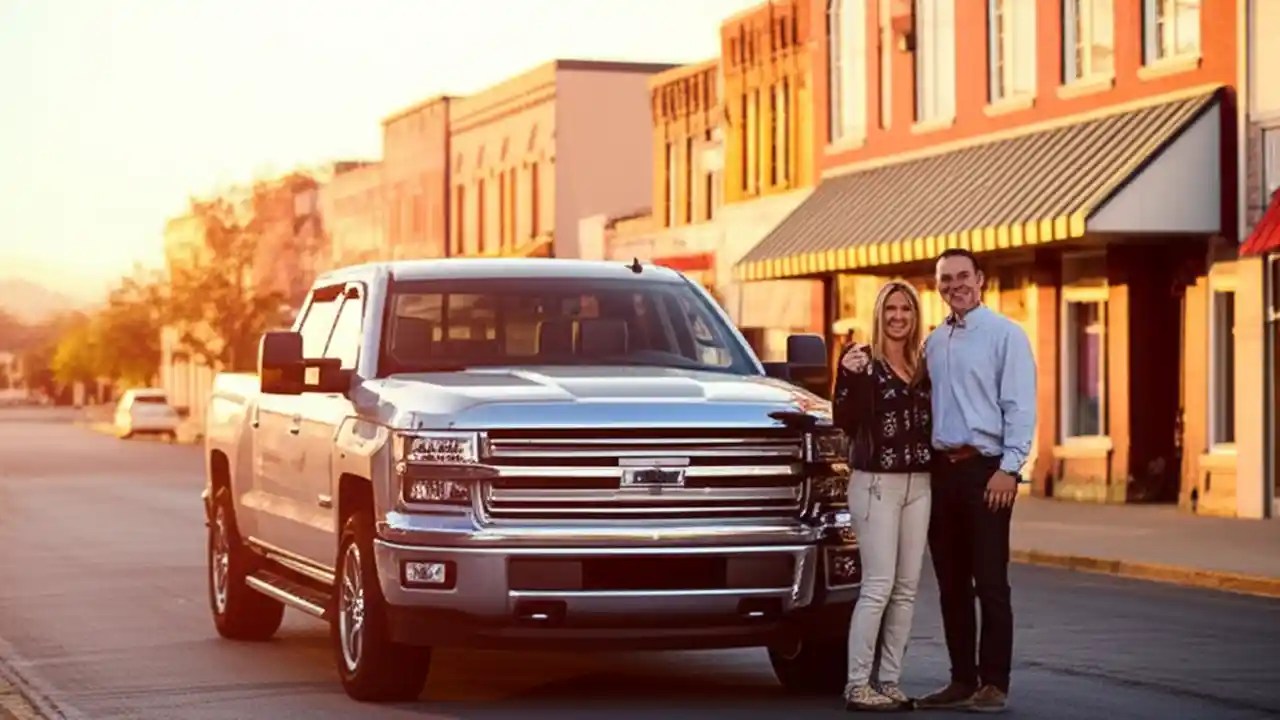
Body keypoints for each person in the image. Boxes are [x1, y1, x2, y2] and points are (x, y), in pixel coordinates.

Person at [916, 248, 1036, 713]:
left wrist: (1010, 469)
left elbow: (1020, 406)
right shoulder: (934, 341)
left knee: (990, 582)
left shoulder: (1005, 335)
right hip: (942, 474)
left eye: (962, 276)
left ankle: (994, 683)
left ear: (981, 279)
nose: (954, 286)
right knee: (950, 585)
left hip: (988, 472)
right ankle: (961, 679)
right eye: (946, 279)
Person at [833, 281, 933, 712]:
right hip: (876, 483)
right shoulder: (862, 362)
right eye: (890, 308)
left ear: (914, 316)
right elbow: (846, 421)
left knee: (907, 588)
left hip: (919, 484)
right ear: (880, 313)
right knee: (878, 586)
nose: (898, 316)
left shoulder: (924, 362)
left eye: (906, 309)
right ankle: (857, 683)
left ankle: (889, 679)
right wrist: (846, 378)